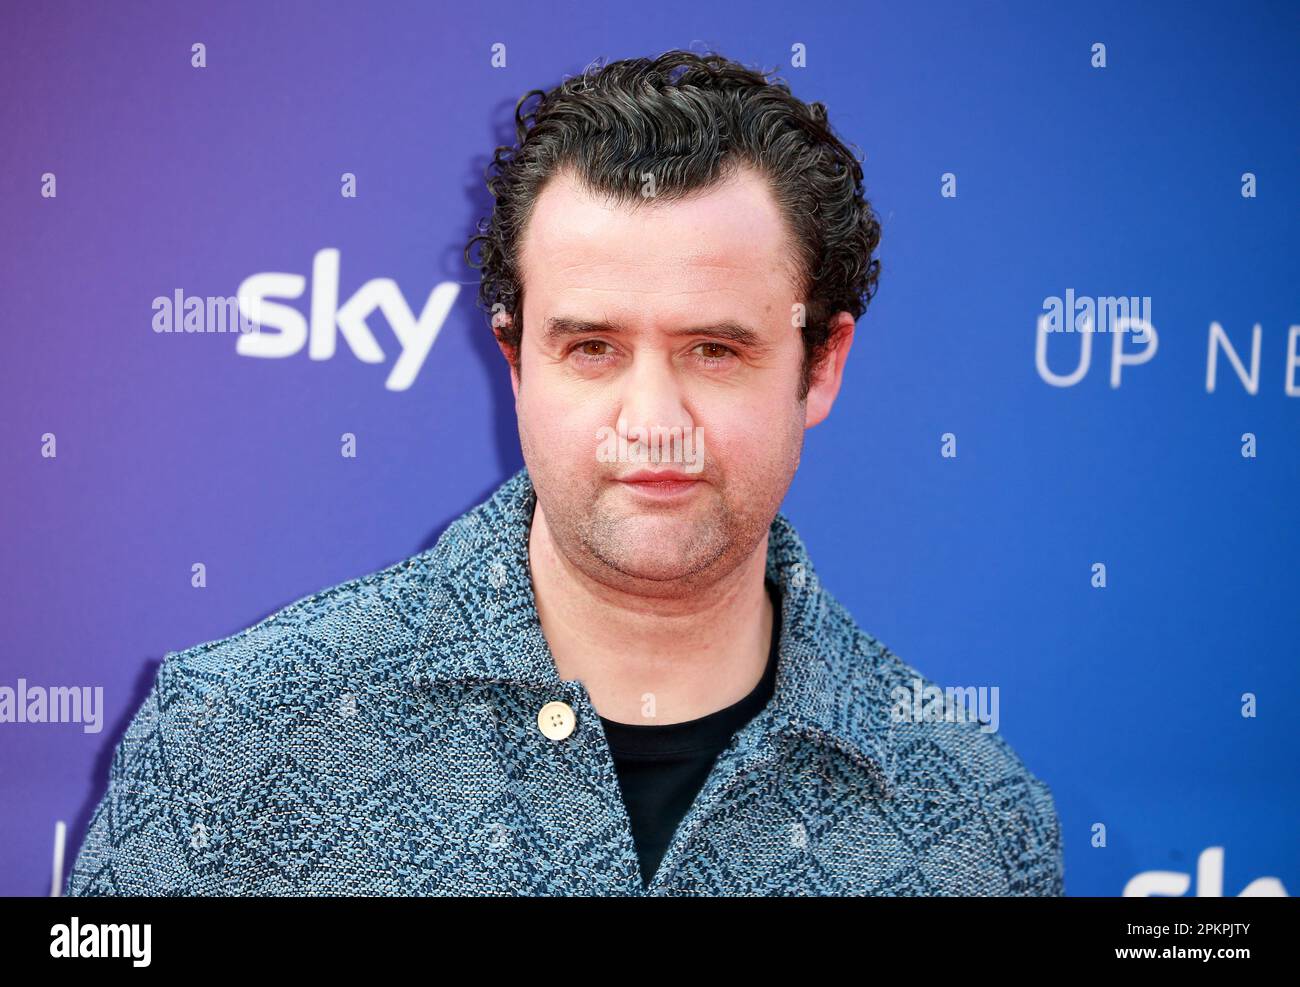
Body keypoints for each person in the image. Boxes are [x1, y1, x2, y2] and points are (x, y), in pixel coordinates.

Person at [66, 49, 1062, 896]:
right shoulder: (230, 740)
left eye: (715, 350)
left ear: (821, 365)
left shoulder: (977, 820)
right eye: (591, 348)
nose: (651, 422)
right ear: (515, 362)